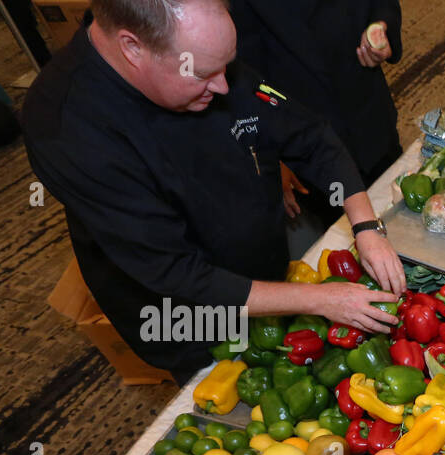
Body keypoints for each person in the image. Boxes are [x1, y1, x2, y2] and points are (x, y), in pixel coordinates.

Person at [22, 0, 405, 383]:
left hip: (264, 279)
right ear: (132, 48)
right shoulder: (67, 127)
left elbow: (310, 139)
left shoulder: (198, 58)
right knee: (226, 391)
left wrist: (366, 226)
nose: (224, 86)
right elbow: (178, 275)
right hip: (186, 320)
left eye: (227, 66)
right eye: (203, 75)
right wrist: (322, 300)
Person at [230, 1, 404, 231]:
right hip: (308, 149)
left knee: (403, 211)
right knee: (345, 236)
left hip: (371, 120)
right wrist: (272, 156)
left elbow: (382, 4)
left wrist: (382, 27)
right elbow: (247, 77)